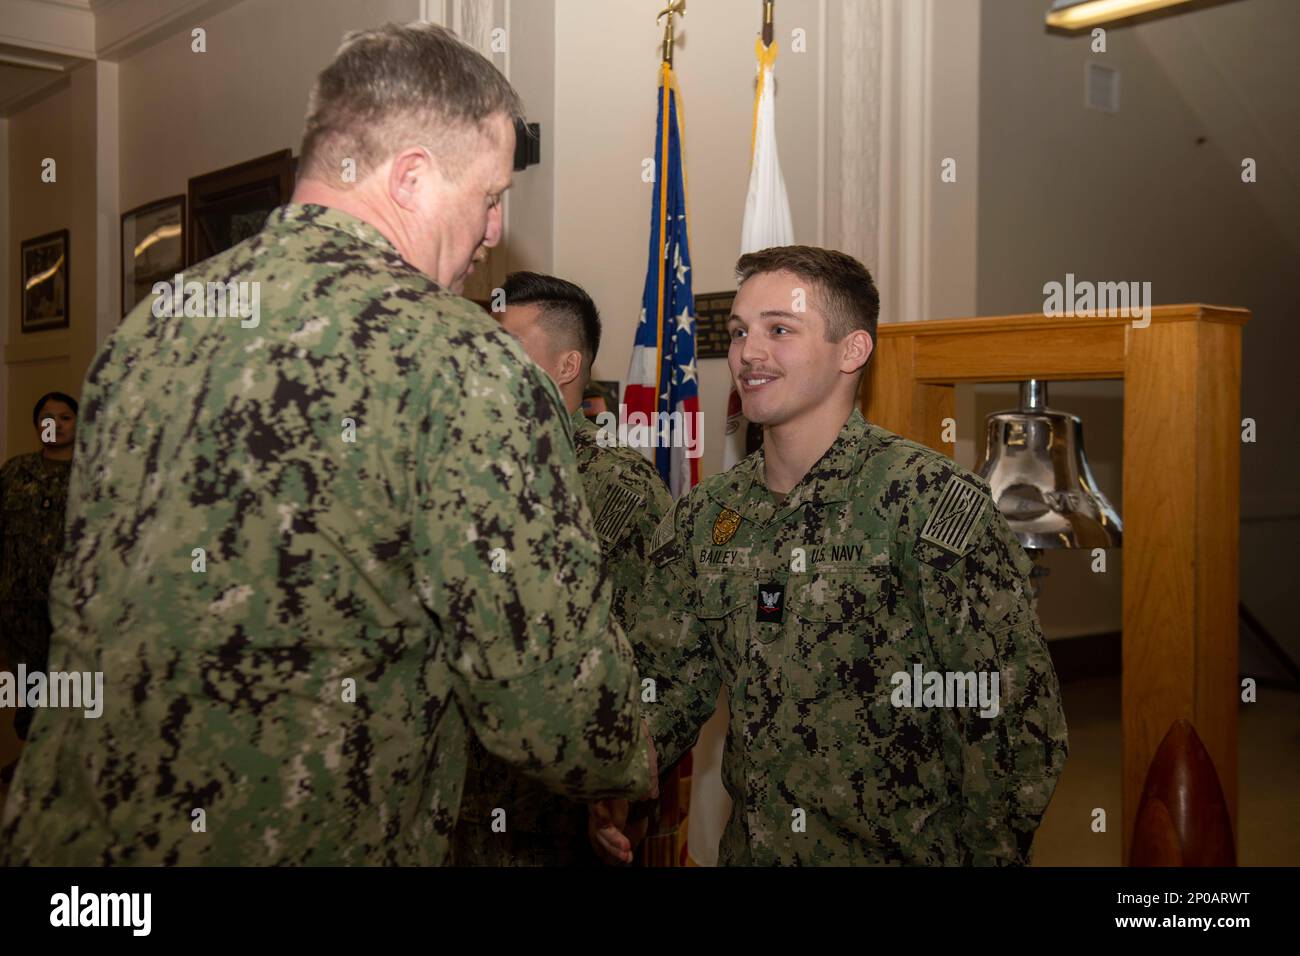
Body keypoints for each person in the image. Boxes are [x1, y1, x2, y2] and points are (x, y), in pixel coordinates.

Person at [1, 22, 655, 867]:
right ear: (412, 177)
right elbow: (553, 711)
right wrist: (622, 756)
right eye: (491, 196)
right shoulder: (461, 359)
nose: (495, 230)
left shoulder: (153, 324)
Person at [593, 245, 1068, 866]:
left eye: (779, 330)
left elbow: (1008, 720)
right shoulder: (707, 517)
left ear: (853, 350)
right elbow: (665, 682)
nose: (748, 353)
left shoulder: (927, 502)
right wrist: (610, 782)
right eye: (739, 332)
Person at [453, 271, 673, 866]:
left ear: (568, 364)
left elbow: (649, 651)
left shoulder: (616, 484)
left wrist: (613, 787)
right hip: (453, 801)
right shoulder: (465, 469)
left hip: (552, 817)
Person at [0, 392, 78, 754]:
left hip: (73, 604)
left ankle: (64, 766)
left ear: (77, 424)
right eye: (48, 417)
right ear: (36, 425)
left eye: (65, 417)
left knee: (73, 686)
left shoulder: (92, 475)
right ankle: (30, 762)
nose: (57, 425)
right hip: (20, 602)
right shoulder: (15, 472)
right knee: (27, 687)